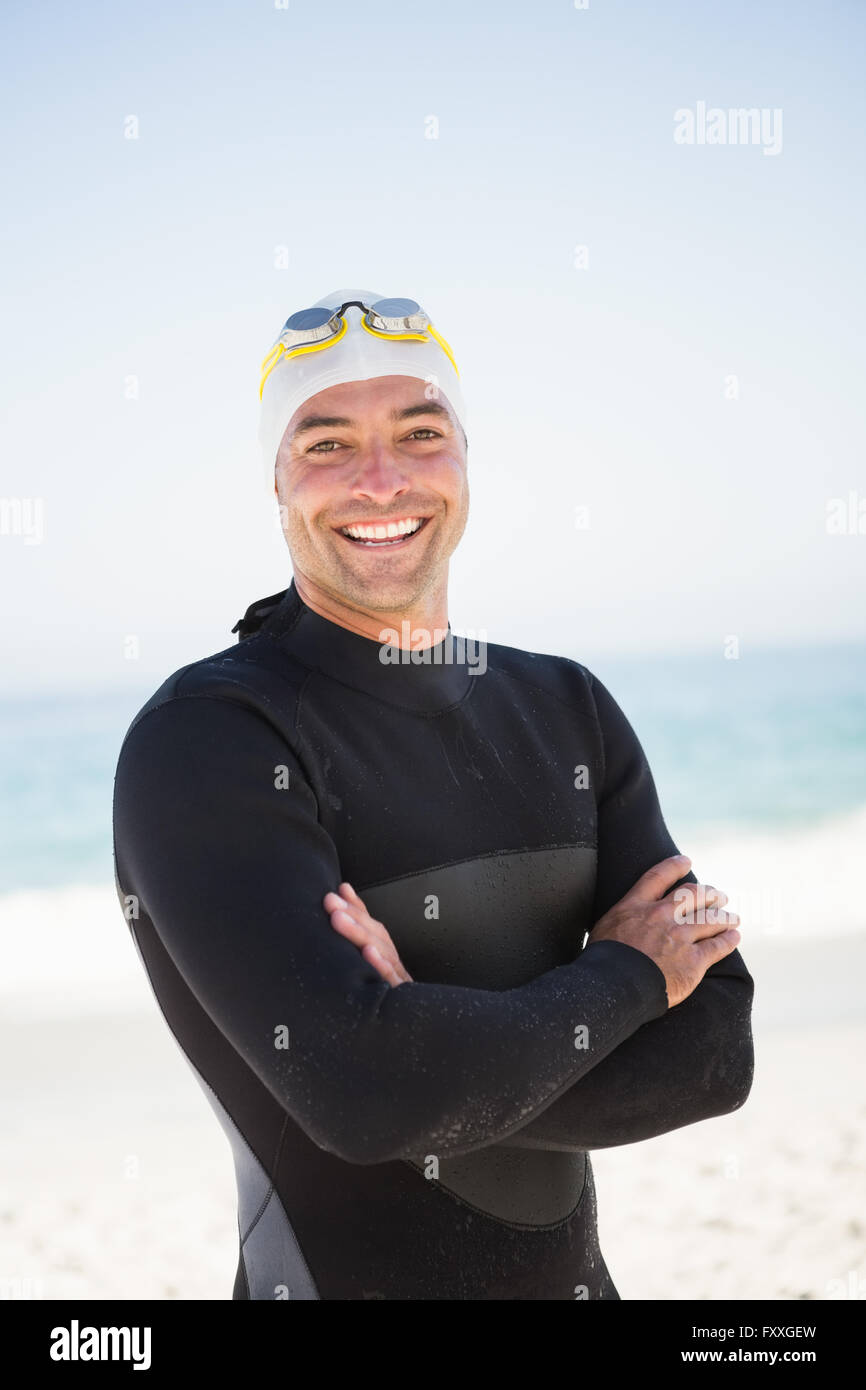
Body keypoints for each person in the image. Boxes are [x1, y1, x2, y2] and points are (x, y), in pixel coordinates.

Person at [112, 288, 754, 1300]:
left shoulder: (565, 707)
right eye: (326, 445)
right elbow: (364, 1095)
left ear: (463, 460)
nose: (379, 480)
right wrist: (629, 979)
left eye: (419, 431)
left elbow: (715, 1055)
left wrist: (427, 1053)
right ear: (275, 482)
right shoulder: (212, 737)